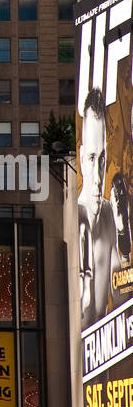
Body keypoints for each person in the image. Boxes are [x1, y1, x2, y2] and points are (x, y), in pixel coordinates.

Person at [78, 87, 123, 329]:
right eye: (92, 158)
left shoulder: (109, 213)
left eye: (102, 158)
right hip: (72, 359)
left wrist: (123, 233)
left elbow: (122, 296)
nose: (97, 175)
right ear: (82, 157)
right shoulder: (74, 218)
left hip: (107, 359)